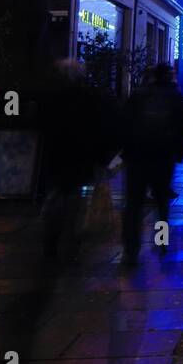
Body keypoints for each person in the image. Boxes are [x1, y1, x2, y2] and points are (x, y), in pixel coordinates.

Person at [40, 60, 119, 260]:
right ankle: (72, 240)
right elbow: (102, 127)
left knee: (57, 194)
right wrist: (103, 157)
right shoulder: (89, 98)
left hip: (57, 155)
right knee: (75, 198)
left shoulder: (51, 97)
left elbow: (42, 125)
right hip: (81, 156)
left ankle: (52, 238)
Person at [121, 64, 183, 265]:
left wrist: (126, 150)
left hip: (137, 156)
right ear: (170, 77)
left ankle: (131, 248)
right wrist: (179, 150)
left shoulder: (138, 95)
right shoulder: (177, 97)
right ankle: (161, 241)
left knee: (133, 203)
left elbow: (125, 123)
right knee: (162, 202)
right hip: (164, 156)